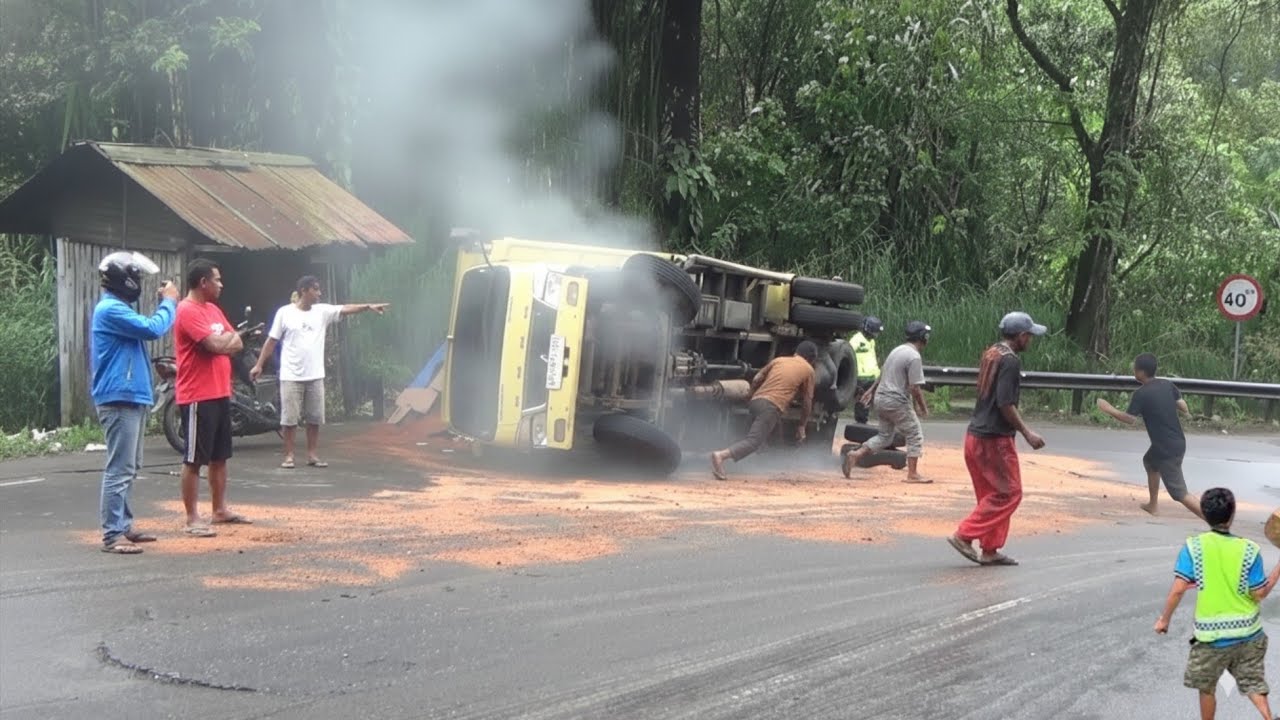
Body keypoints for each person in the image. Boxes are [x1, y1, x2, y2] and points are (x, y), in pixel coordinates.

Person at [1154, 487, 1280, 720]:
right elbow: (1260, 593)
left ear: (1204, 511)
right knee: (1252, 682)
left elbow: (1178, 589)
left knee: (1207, 686)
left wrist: (1164, 620)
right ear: (1232, 515)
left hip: (1211, 639)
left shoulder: (1194, 547)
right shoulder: (1249, 550)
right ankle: (1269, 718)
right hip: (1249, 634)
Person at [249, 275, 389, 468]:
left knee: (314, 418)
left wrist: (367, 307)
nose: (319, 293)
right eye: (315, 289)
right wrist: (259, 365)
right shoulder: (285, 313)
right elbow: (271, 340)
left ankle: (312, 454)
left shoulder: (321, 311)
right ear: (304, 291)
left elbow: (344, 309)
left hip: (315, 375)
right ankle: (289, 455)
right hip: (291, 375)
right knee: (289, 419)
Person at [90, 251, 178, 554]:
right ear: (123, 279)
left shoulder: (118, 309)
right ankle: (112, 535)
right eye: (136, 277)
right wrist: (169, 301)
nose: (138, 282)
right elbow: (153, 328)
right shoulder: (110, 310)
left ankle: (124, 525)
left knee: (130, 466)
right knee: (119, 468)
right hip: (119, 399)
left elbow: (132, 347)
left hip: (130, 396)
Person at [947, 311, 1047, 567]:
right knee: (1009, 494)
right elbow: (1005, 403)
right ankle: (964, 534)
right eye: (1030, 336)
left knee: (990, 495)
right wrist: (1027, 432)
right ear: (1022, 336)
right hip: (994, 439)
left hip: (975, 435)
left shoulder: (991, 352)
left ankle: (990, 549)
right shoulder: (1010, 361)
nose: (1031, 341)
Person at [174, 259, 250, 536]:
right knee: (194, 458)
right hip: (197, 395)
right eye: (216, 280)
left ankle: (219, 510)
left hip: (220, 392)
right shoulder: (186, 310)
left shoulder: (214, 310)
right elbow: (214, 344)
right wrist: (227, 342)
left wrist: (226, 343)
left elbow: (237, 343)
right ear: (203, 282)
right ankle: (192, 517)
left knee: (220, 456)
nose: (221, 284)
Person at [1096, 353, 1203, 520]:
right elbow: (1181, 403)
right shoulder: (1167, 384)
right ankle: (1153, 505)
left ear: (1140, 372)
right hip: (1175, 442)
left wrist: (1108, 408)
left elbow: (1129, 419)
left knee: (1179, 493)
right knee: (1150, 462)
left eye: (1134, 368)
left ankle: (1214, 522)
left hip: (1166, 449)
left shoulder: (1142, 393)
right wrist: (1187, 413)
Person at [710, 341, 818, 481]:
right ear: (812, 358)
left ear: (796, 352)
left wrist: (750, 396)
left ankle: (762, 461)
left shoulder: (779, 360)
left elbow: (756, 378)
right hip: (771, 406)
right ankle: (721, 456)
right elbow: (807, 401)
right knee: (754, 441)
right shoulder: (809, 370)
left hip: (756, 401)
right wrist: (802, 425)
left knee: (763, 432)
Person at [843, 321, 932, 483]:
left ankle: (855, 454)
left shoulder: (897, 350)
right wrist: (923, 407)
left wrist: (871, 391)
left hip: (881, 399)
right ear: (923, 337)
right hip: (895, 400)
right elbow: (914, 387)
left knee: (885, 437)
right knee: (915, 434)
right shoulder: (914, 356)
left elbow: (883, 372)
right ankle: (912, 474)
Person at [850, 316, 882, 424]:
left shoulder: (871, 341)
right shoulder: (856, 340)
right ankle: (860, 423)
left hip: (873, 376)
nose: (875, 335)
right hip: (861, 377)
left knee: (873, 401)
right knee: (862, 401)